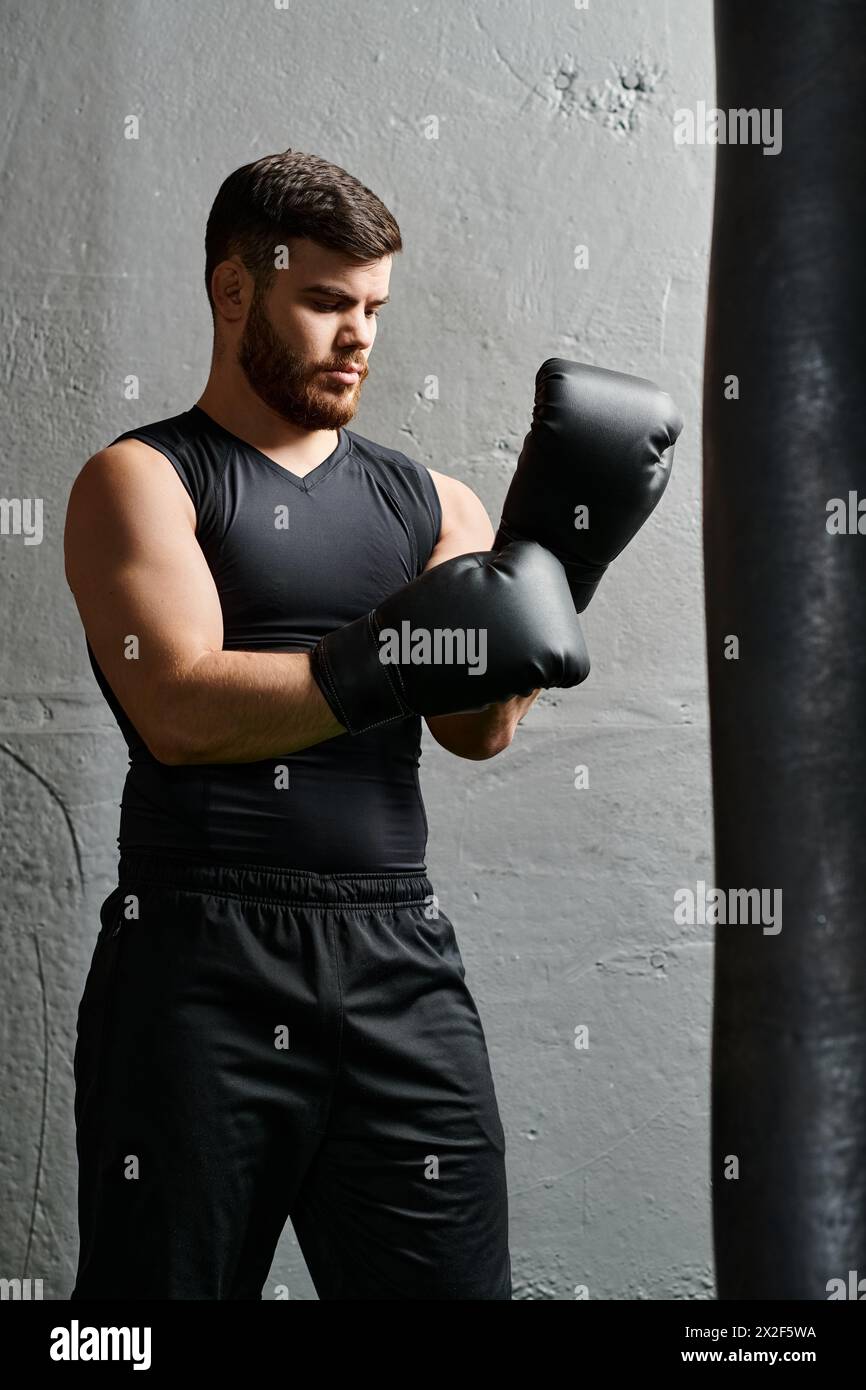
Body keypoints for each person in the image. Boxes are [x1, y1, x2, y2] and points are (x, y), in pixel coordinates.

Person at [63, 148, 591, 1300]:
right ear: (235, 291)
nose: (358, 334)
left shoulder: (431, 501)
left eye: (373, 308)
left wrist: (559, 563)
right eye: (325, 302)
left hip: (397, 956)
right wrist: (391, 650)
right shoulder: (143, 478)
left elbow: (473, 732)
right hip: (197, 958)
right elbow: (181, 710)